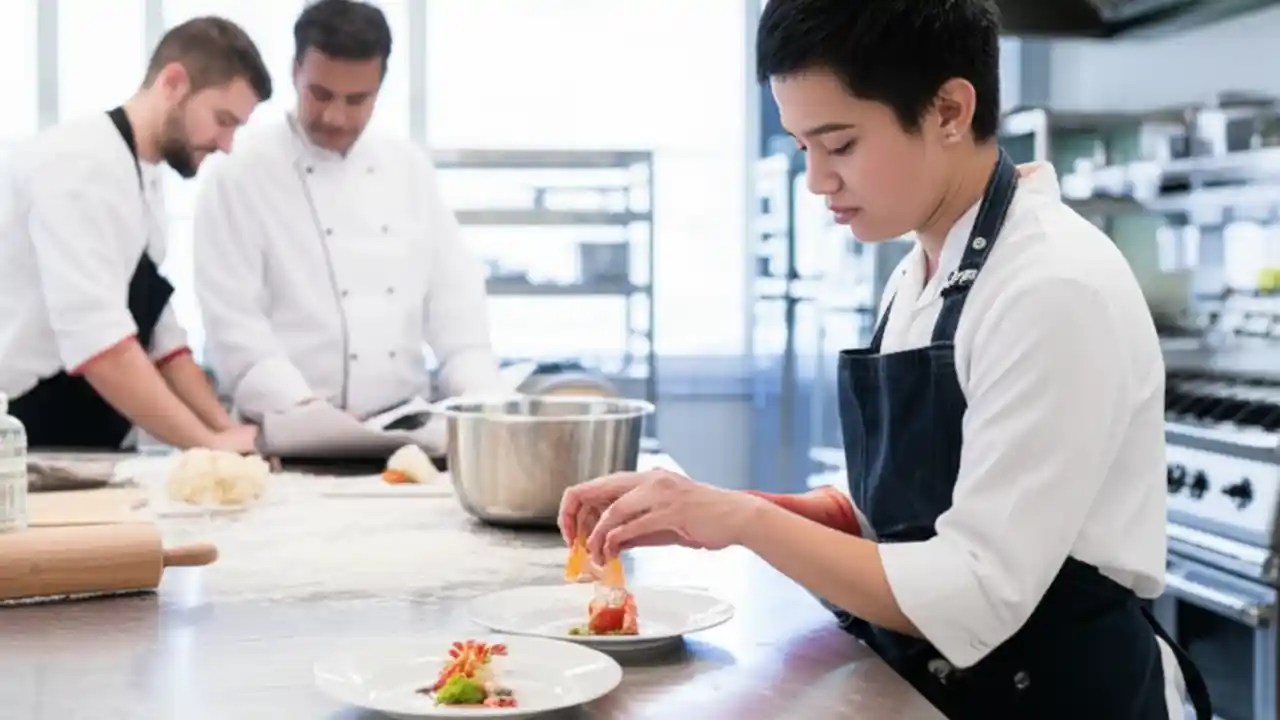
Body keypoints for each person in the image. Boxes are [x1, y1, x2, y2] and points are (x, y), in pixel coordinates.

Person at [558, 2, 1212, 719]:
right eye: (802, 146)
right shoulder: (924, 267)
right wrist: (699, 512)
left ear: (949, 110)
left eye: (838, 145)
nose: (815, 180)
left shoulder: (1052, 285)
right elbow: (887, 519)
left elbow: (972, 589)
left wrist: (745, 521)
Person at [192, 0, 503, 425]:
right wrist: (313, 416)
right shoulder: (239, 173)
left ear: (381, 86)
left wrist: (488, 405)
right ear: (295, 71)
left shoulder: (407, 168)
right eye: (320, 94)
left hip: (403, 432)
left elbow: (457, 313)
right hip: (286, 429)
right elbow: (236, 329)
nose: (335, 116)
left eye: (357, 99)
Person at [0, 18, 271, 452]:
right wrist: (207, 443)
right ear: (174, 83)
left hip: (86, 438)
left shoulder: (143, 175)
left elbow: (164, 336)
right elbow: (102, 349)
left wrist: (225, 430)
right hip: (24, 434)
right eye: (223, 120)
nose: (227, 145)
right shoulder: (78, 164)